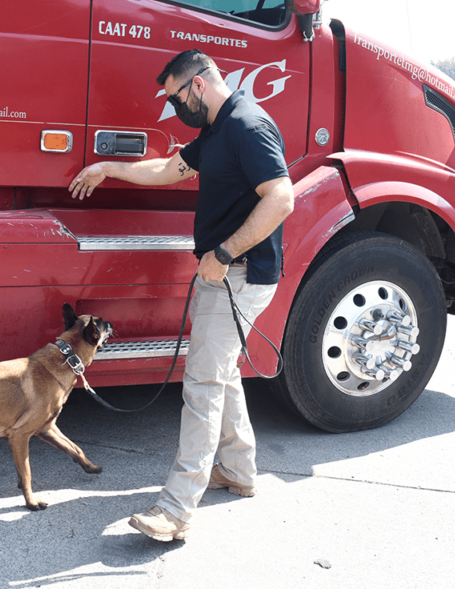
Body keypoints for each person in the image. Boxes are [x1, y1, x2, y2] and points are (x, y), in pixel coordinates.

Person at [68, 49, 294, 541]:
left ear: (197, 85)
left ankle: (175, 510)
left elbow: (281, 196)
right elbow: (170, 170)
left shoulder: (246, 125)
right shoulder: (216, 129)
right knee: (221, 370)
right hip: (226, 272)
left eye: (174, 97)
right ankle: (237, 470)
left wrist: (225, 252)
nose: (173, 108)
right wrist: (109, 168)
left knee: (203, 384)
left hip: (238, 273)